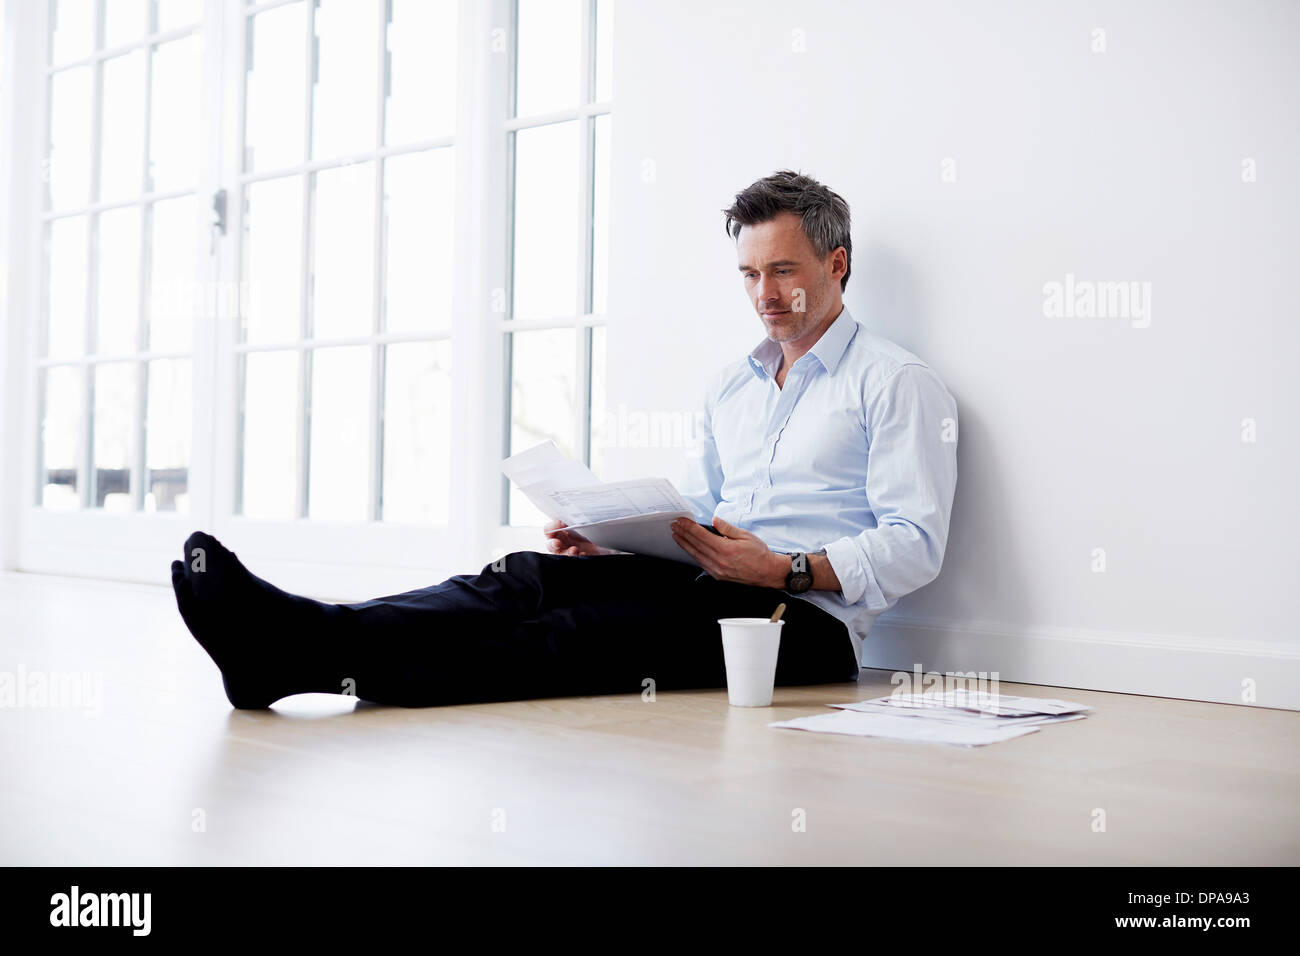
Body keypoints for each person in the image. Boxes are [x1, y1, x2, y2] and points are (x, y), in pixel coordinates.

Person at [169, 170, 959, 709]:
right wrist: (623, 541)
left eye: (782, 271)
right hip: (709, 586)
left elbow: (914, 545)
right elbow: (708, 511)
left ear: (837, 263)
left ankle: (300, 659)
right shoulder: (730, 384)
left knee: (566, 639)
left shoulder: (895, 383)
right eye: (750, 275)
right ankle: (307, 633)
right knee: (524, 577)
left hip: (804, 627)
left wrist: (783, 567)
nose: (765, 294)